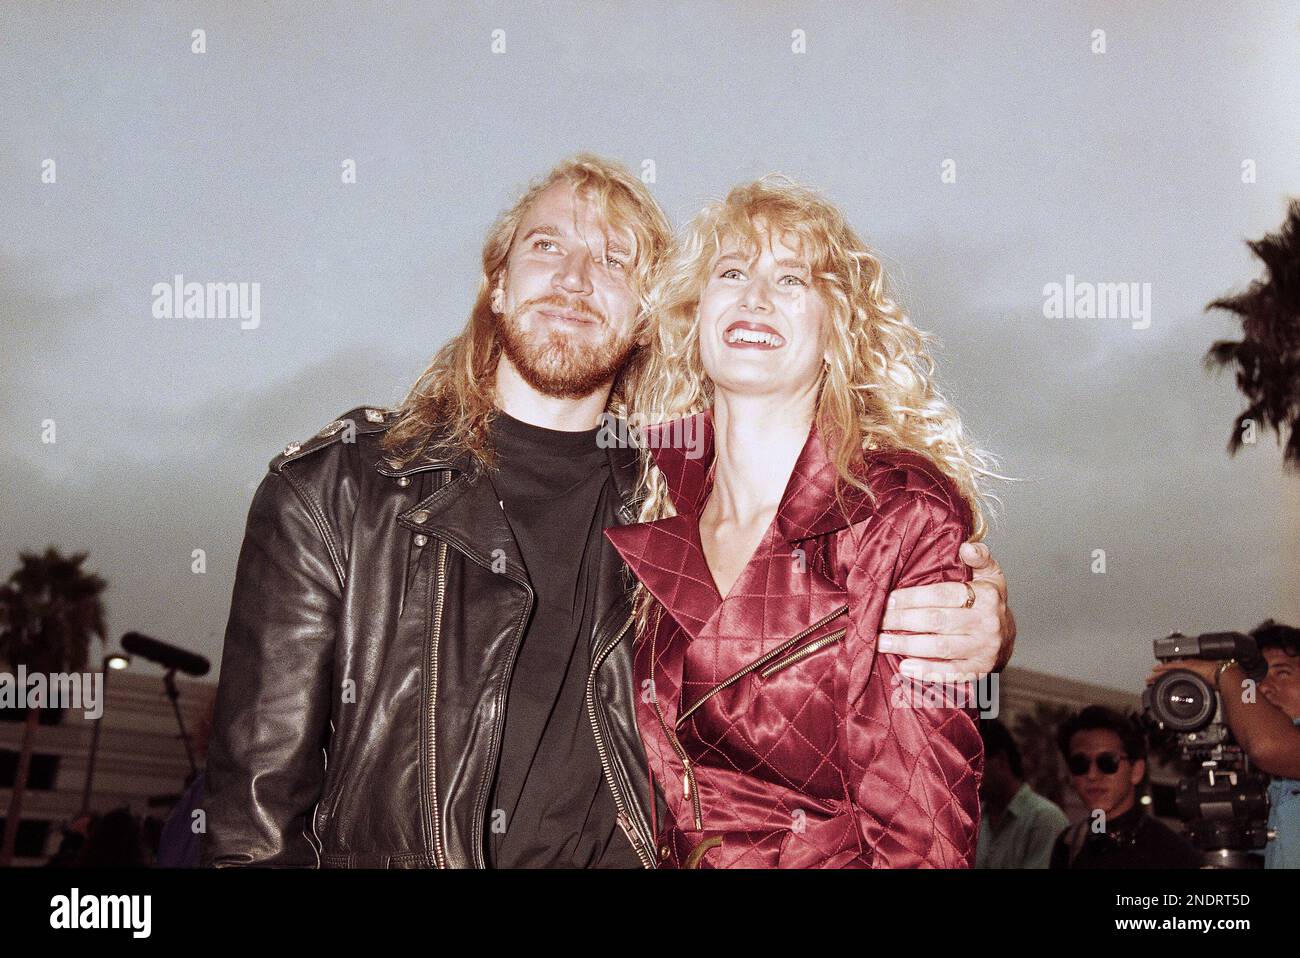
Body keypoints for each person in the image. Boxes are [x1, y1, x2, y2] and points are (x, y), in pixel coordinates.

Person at [202, 155, 1016, 869]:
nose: (576, 278)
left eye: (615, 259)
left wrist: (983, 621)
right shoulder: (342, 489)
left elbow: (834, 648)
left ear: (647, 317)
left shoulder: (664, 499)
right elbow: (252, 818)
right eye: (547, 245)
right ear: (497, 281)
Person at [605, 177, 997, 867]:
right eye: (731, 272)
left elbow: (925, 831)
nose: (754, 296)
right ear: (694, 316)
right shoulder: (652, 516)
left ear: (837, 331)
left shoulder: (899, 512)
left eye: (791, 280)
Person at [1147, 619, 1300, 868]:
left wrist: (1224, 671)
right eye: (1253, 681)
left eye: (1282, 672)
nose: (1266, 689)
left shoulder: (1275, 751)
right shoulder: (1272, 786)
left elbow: (1267, 746)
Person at [1049, 706, 1201, 869]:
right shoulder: (1069, 843)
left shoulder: (1172, 853)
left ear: (1136, 770)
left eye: (1107, 762)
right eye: (1080, 764)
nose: (1092, 775)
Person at [975, 719, 1067, 868]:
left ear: (1000, 760)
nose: (967, 776)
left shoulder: (1044, 819)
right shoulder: (976, 820)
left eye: (974, 766)